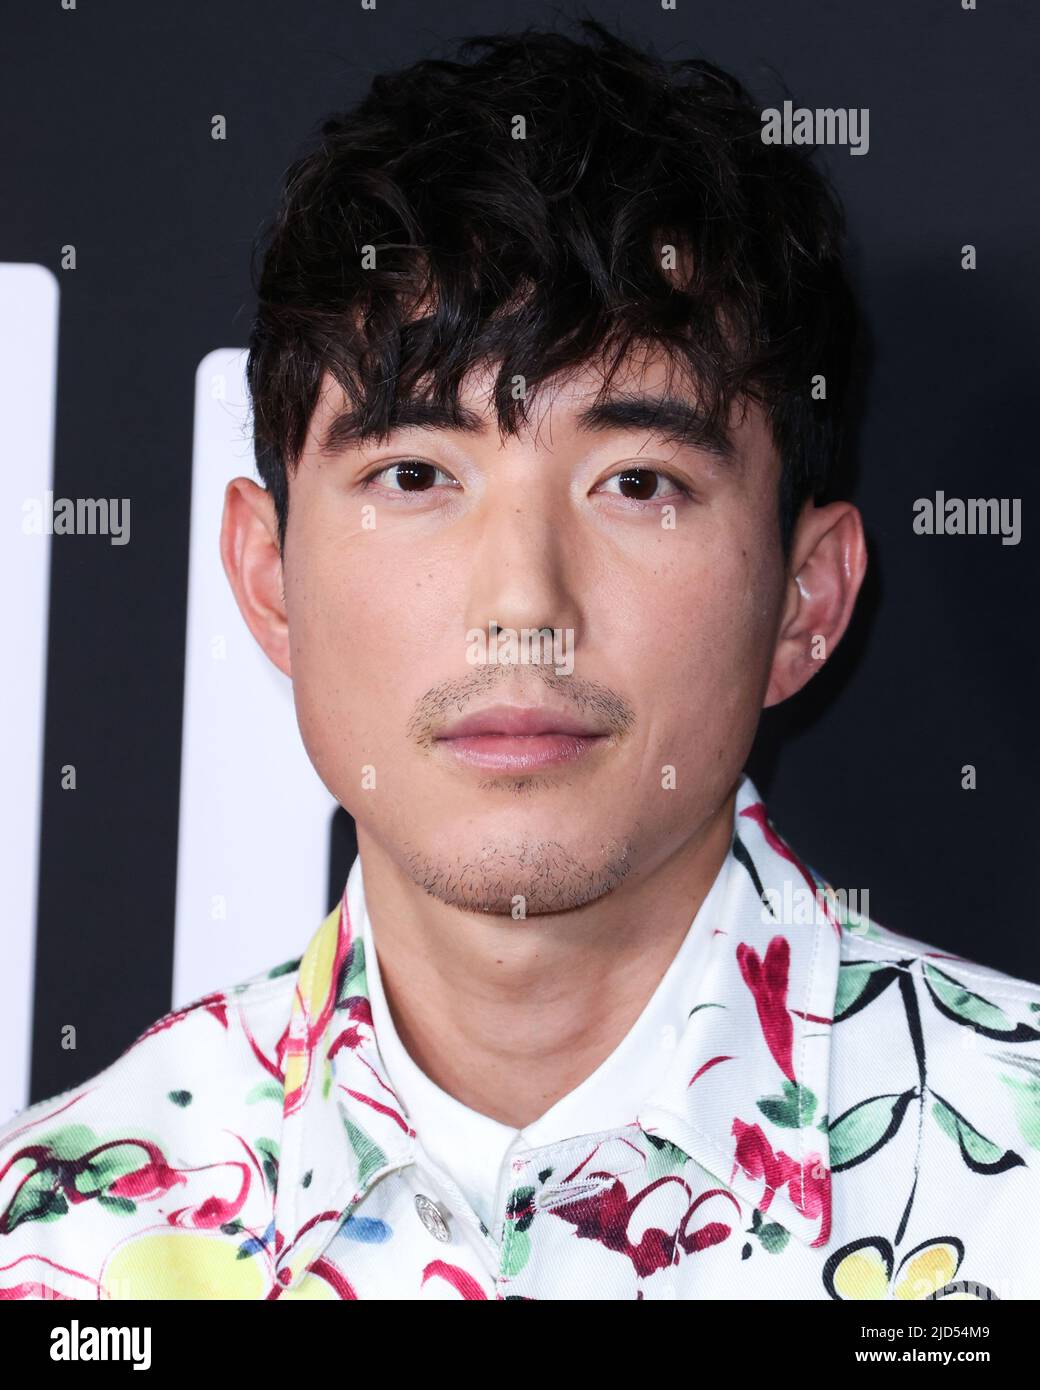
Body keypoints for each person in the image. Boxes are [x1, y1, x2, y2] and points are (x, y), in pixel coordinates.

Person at [2, 19, 1037, 1302]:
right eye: (415, 474)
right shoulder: (57, 1242)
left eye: (637, 481)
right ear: (269, 579)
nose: (520, 606)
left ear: (802, 599)